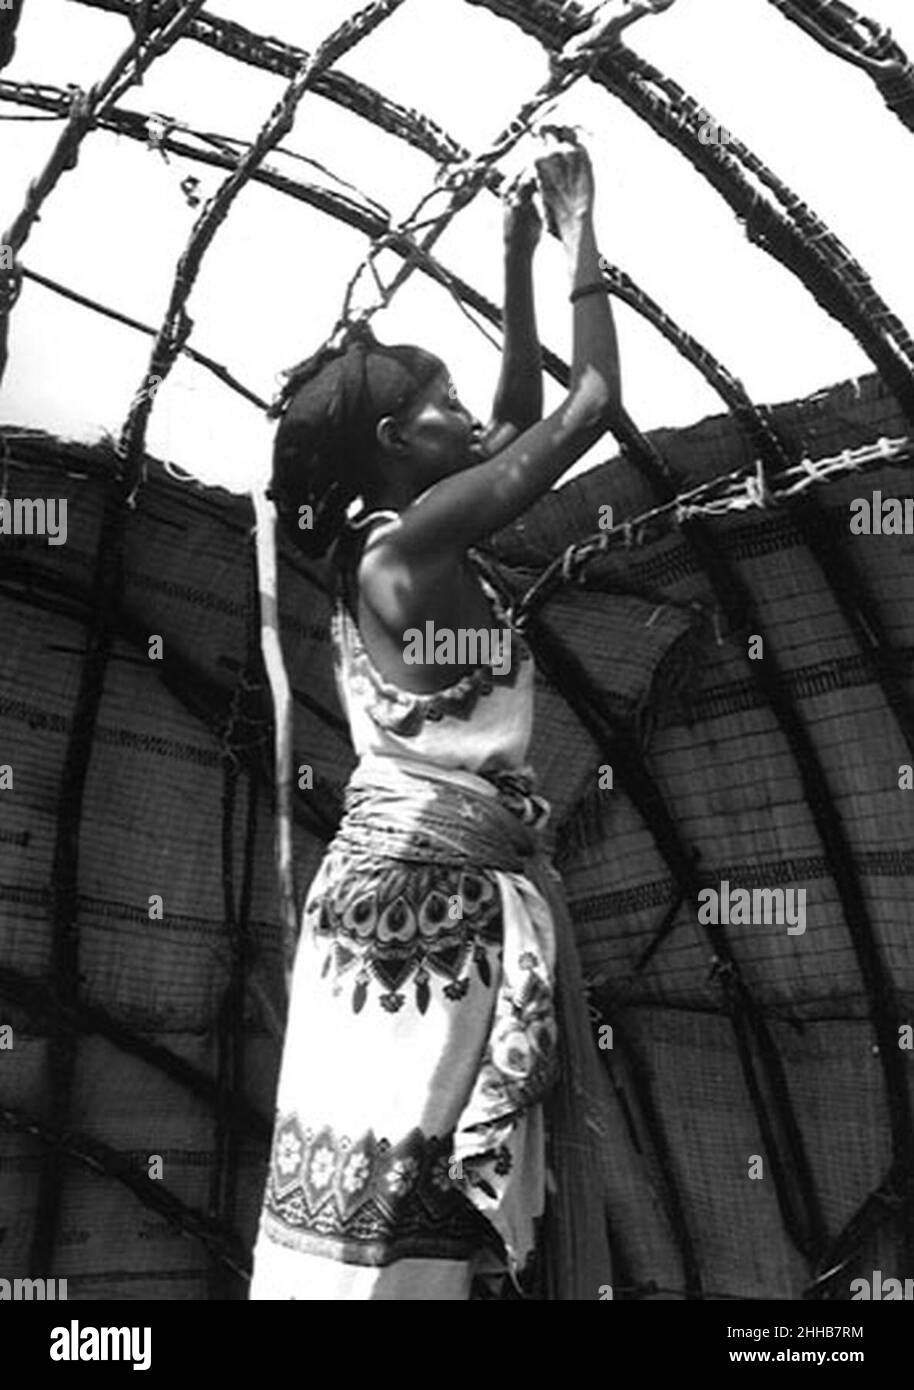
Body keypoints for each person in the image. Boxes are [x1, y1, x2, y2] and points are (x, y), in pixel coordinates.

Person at [250, 131, 622, 1300]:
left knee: (375, 1210)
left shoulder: (394, 546)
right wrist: (581, 243)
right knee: (410, 1229)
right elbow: (587, 408)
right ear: (391, 445)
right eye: (437, 404)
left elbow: (513, 419)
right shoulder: (411, 548)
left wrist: (506, 262)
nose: (466, 412)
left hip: (386, 908)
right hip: (426, 916)